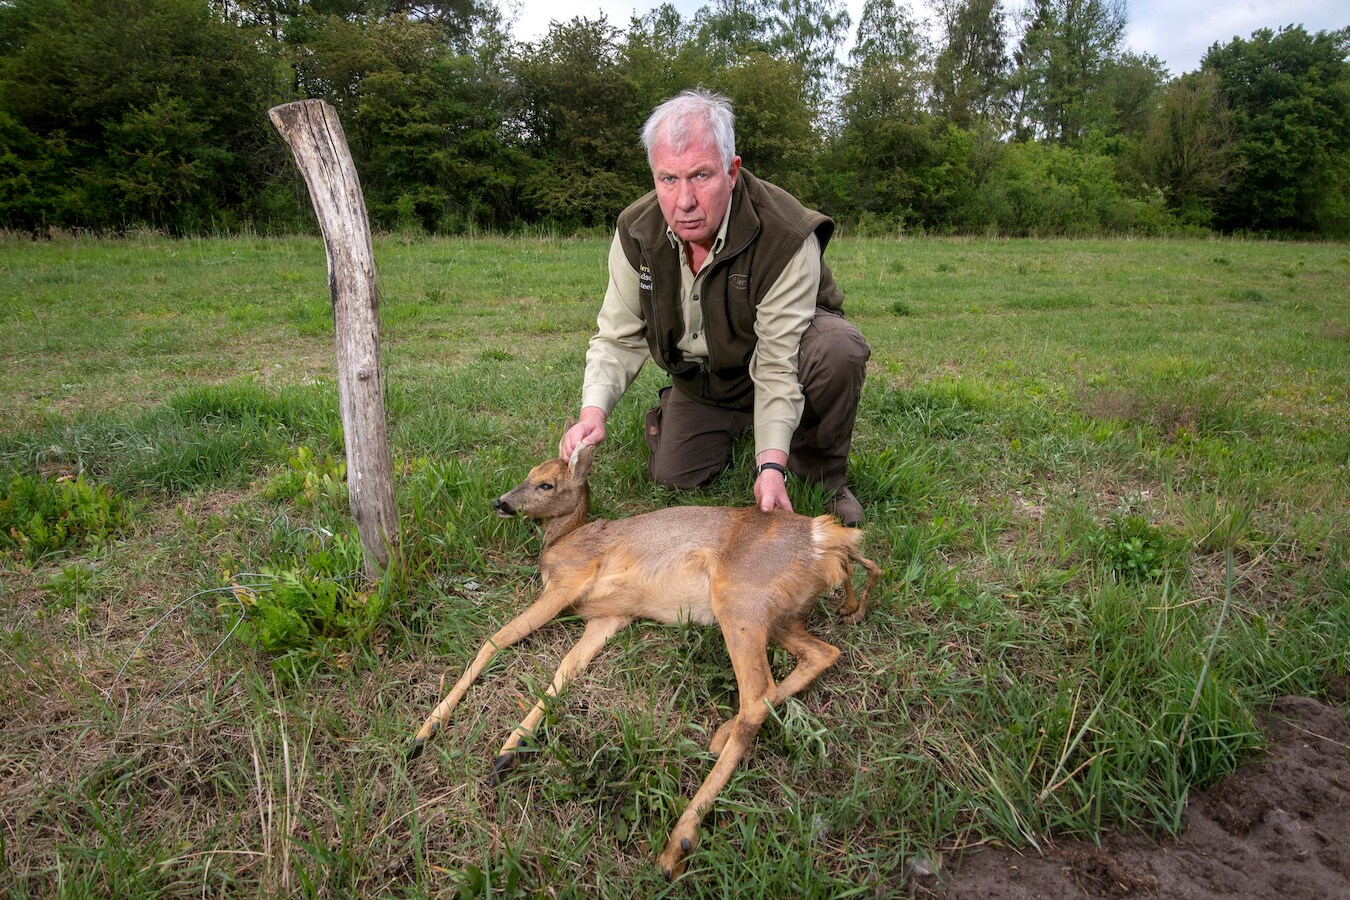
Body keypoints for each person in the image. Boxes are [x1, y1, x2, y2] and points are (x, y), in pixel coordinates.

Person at [559, 88, 870, 525]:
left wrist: (770, 465)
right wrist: (593, 413)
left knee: (838, 348)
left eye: (701, 176)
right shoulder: (637, 230)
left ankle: (821, 475)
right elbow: (617, 336)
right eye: (668, 179)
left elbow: (778, 362)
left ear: (731, 170)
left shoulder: (786, 233)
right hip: (707, 379)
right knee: (673, 476)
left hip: (785, 357)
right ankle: (711, 417)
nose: (684, 201)